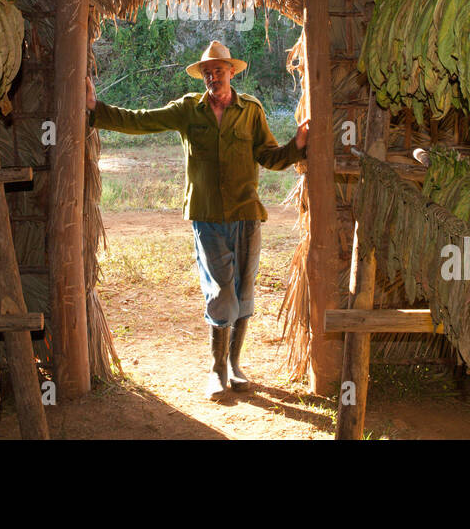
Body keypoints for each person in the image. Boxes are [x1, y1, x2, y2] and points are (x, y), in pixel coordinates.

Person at [86, 40, 309, 400]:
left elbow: (269, 156)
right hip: (207, 216)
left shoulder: (251, 110)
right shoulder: (189, 109)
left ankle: (235, 365)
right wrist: (97, 109)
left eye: (218, 70)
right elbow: (141, 120)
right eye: (207, 72)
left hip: (246, 214)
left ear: (231, 72)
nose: (212, 76)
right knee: (221, 290)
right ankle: (217, 370)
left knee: (244, 290)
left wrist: (297, 145)